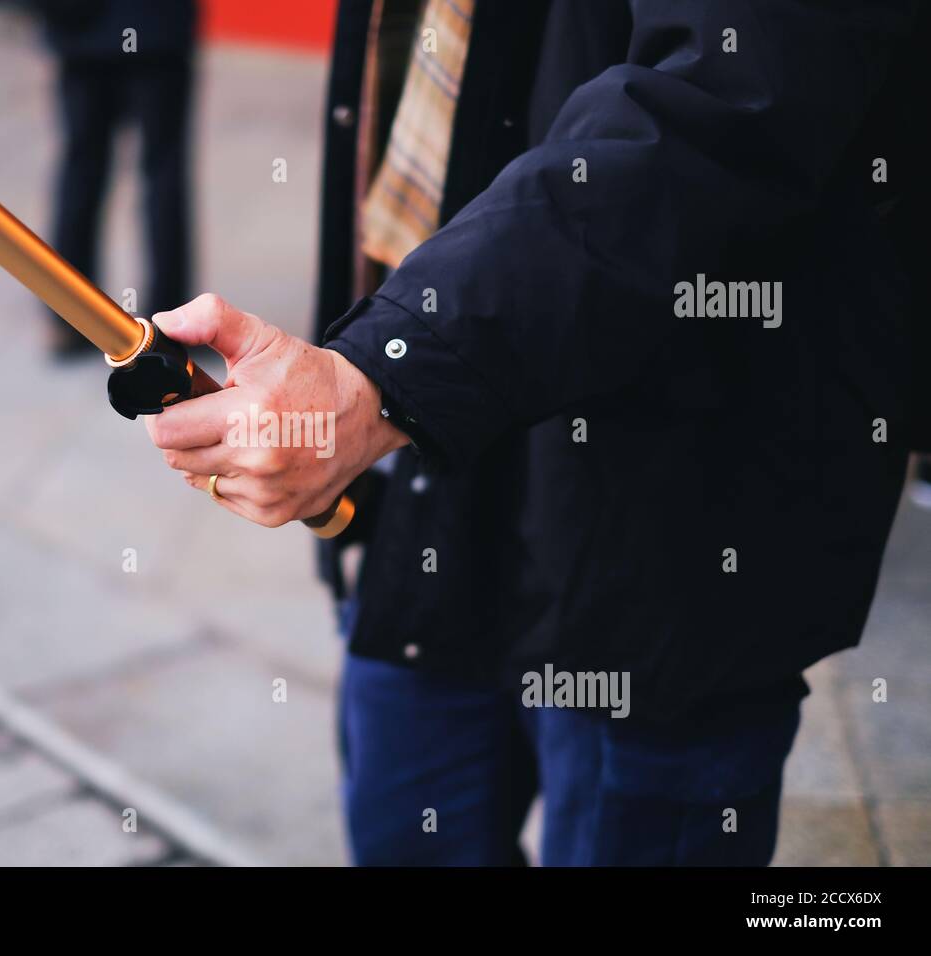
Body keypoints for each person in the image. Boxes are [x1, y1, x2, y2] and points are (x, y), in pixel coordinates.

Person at [143, 0, 928, 865]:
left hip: (675, 502)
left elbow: (725, 102)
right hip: (434, 458)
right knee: (409, 827)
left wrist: (384, 371)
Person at [33, 0, 197, 357]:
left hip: (86, 27)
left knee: (82, 167)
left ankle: (70, 314)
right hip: (153, 29)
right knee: (162, 172)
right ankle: (171, 322)